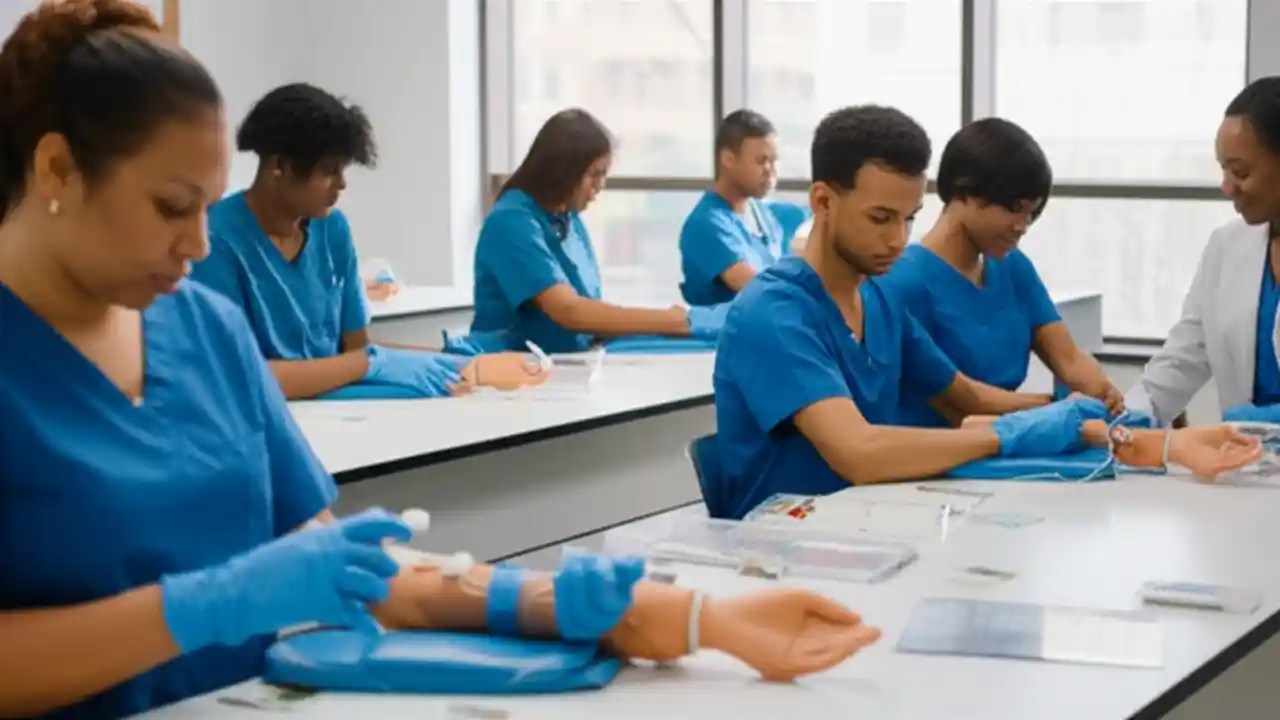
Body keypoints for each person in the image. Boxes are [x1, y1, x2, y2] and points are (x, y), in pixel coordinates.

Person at [0, 5, 875, 716]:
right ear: (56, 171)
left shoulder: (200, 332)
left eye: (205, 207)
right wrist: (200, 608)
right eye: (169, 207)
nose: (198, 244)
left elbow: (355, 573)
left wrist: (671, 615)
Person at [710, 105, 1261, 519]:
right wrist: (1025, 429)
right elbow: (859, 451)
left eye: (909, 218)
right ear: (824, 202)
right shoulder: (776, 312)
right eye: (881, 218)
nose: (900, 240)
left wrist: (1156, 441)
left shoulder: (876, 298)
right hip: (784, 546)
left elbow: (968, 400)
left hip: (872, 521)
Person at [191, 83, 545, 400]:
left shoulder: (332, 230)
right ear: (279, 165)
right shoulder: (215, 240)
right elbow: (240, 378)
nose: (341, 185)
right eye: (329, 171)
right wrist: (366, 364)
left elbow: (357, 349)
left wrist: (467, 364)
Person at [879, 118, 1122, 428]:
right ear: (962, 191)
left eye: (1031, 214)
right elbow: (964, 404)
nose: (1022, 227)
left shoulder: (1012, 267)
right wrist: (1059, 408)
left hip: (1006, 443)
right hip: (939, 454)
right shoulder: (901, 283)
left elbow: (1069, 359)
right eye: (1012, 209)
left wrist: (1100, 391)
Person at [471, 108, 726, 354]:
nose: (600, 186)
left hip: (569, 359)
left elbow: (590, 308)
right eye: (594, 174)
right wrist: (672, 320)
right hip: (512, 363)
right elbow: (570, 311)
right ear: (562, 171)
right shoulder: (511, 222)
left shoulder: (567, 218)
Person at [1125, 76, 1280, 426]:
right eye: (1223, 170)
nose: (1227, 187)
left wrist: (1265, 423)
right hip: (1250, 464)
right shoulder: (1227, 248)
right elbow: (1184, 355)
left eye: (1240, 172)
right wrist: (1127, 418)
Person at [678, 109, 788, 306]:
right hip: (727, 334)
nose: (770, 171)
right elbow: (754, 285)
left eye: (774, 160)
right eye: (761, 161)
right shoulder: (707, 224)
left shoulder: (761, 213)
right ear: (728, 159)